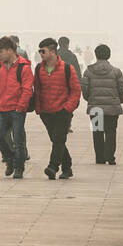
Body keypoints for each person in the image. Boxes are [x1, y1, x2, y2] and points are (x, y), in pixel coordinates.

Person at [34, 37, 82, 180]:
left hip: (63, 111)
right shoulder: (39, 68)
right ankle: (67, 168)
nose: (41, 54)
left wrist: (68, 108)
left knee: (59, 138)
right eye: (39, 51)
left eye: (43, 51)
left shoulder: (67, 68)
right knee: (56, 140)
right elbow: (36, 89)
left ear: (53, 51)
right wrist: (39, 109)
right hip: (46, 112)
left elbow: (76, 90)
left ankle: (53, 166)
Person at [0, 35, 33, 179]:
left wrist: (21, 106)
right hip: (1, 109)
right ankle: (10, 159)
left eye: (1, 51)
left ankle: (19, 167)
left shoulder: (24, 67)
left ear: (9, 50)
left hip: (17, 110)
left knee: (19, 140)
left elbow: (27, 90)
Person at [82, 44, 123, 165]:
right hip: (112, 107)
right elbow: (122, 88)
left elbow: (85, 89)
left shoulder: (88, 71)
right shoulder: (116, 72)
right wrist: (118, 100)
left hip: (95, 107)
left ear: (96, 55)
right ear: (109, 55)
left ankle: (100, 158)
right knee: (111, 132)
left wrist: (90, 99)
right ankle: (110, 157)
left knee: (97, 132)